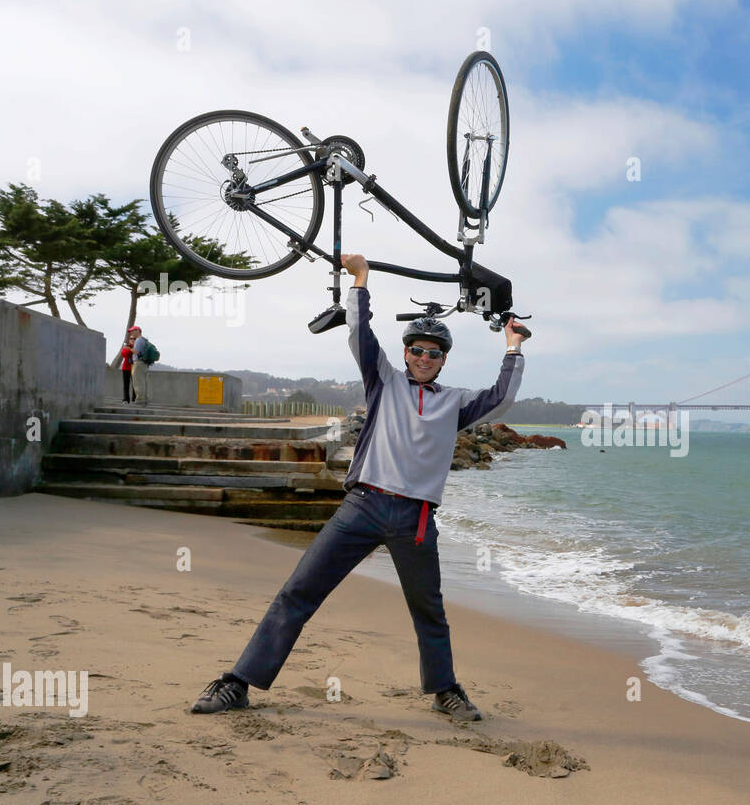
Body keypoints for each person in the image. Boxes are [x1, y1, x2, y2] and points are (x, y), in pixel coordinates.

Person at [191, 253, 528, 721]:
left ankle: (444, 689)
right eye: (417, 349)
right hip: (363, 505)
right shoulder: (383, 380)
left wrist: (512, 346)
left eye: (434, 352)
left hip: (416, 519)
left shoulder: (456, 403)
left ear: (444, 359)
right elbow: (358, 332)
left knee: (428, 610)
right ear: (406, 352)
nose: (424, 358)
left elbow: (502, 398)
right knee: (298, 592)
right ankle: (238, 682)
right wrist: (361, 280)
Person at [130, 325, 149, 405]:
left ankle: (139, 400)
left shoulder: (138, 340)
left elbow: (137, 352)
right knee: (144, 382)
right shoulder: (144, 340)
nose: (131, 333)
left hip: (138, 363)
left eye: (133, 331)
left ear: (137, 330)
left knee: (138, 382)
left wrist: (129, 349)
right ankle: (144, 399)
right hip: (144, 363)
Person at [118, 329, 137, 403]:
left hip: (135, 368)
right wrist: (129, 349)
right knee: (126, 384)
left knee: (135, 385)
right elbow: (123, 354)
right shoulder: (126, 346)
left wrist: (130, 349)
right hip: (126, 367)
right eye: (131, 338)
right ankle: (126, 399)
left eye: (134, 339)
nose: (132, 340)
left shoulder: (137, 347)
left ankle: (134, 399)